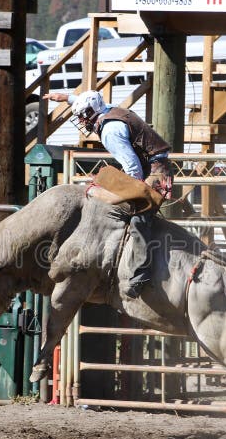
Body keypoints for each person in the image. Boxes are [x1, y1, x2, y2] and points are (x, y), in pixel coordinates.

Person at [43, 90, 173, 299]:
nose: (81, 120)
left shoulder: (110, 131)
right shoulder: (109, 111)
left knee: (139, 219)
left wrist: (125, 191)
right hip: (153, 164)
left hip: (153, 172)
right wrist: (67, 98)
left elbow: (134, 170)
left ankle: (140, 276)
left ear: (90, 113)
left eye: (82, 116)